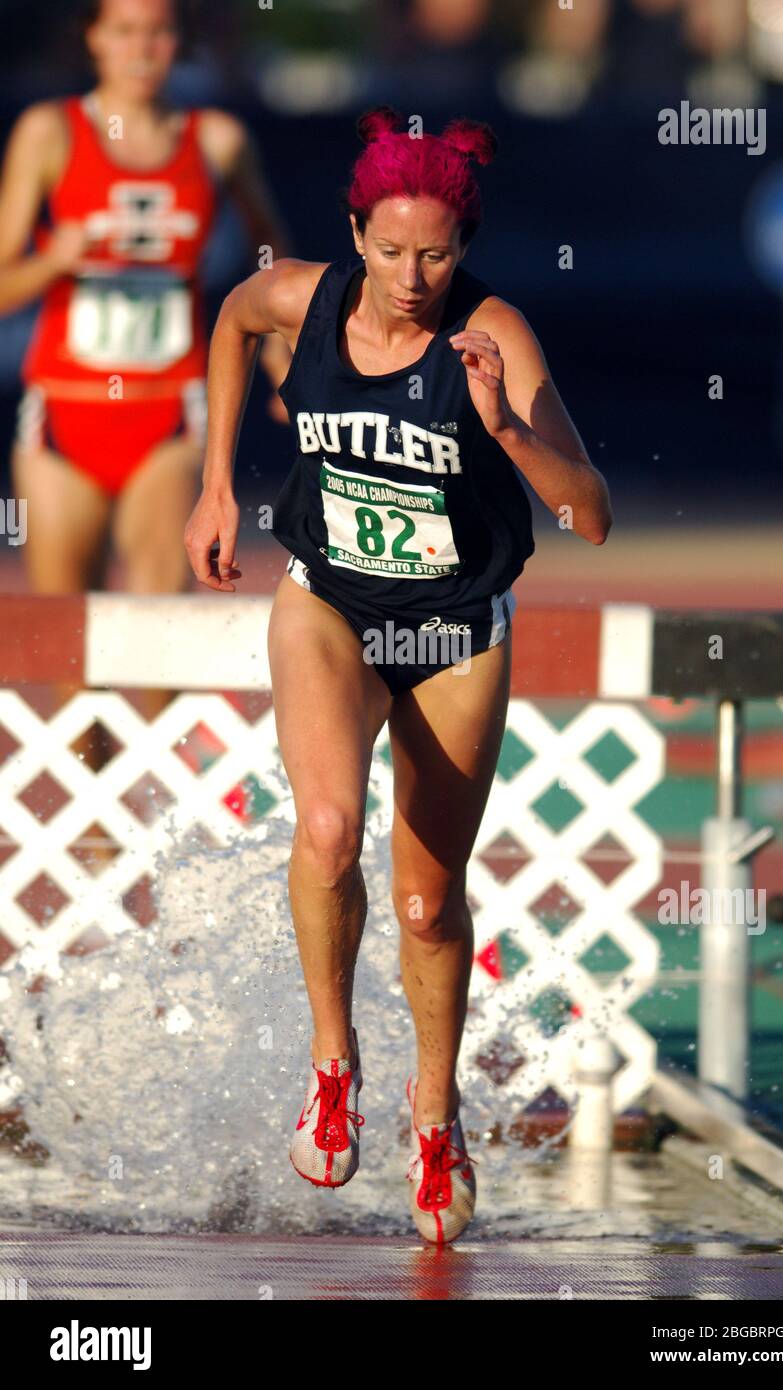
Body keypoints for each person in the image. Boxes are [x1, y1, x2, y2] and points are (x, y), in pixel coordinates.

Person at [185, 106, 612, 1244]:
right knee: (325, 827)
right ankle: (334, 1064)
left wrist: (503, 431)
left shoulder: (494, 332)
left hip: (453, 629)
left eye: (436, 254)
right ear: (354, 234)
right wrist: (217, 480)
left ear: (462, 247)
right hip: (328, 598)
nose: (412, 276)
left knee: (427, 902)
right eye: (389, 250)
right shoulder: (305, 298)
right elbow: (230, 318)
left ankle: (436, 1117)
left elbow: (593, 514)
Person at [0, 0, 292, 740]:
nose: (142, 48)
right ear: (94, 38)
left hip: (167, 412)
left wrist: (285, 363)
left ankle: (159, 831)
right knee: (72, 646)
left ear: (179, 43)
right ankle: (96, 842)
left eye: (159, 32)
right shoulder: (49, 131)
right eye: (124, 30)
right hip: (64, 414)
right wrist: (54, 261)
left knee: (156, 626)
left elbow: (273, 264)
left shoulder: (217, 140)